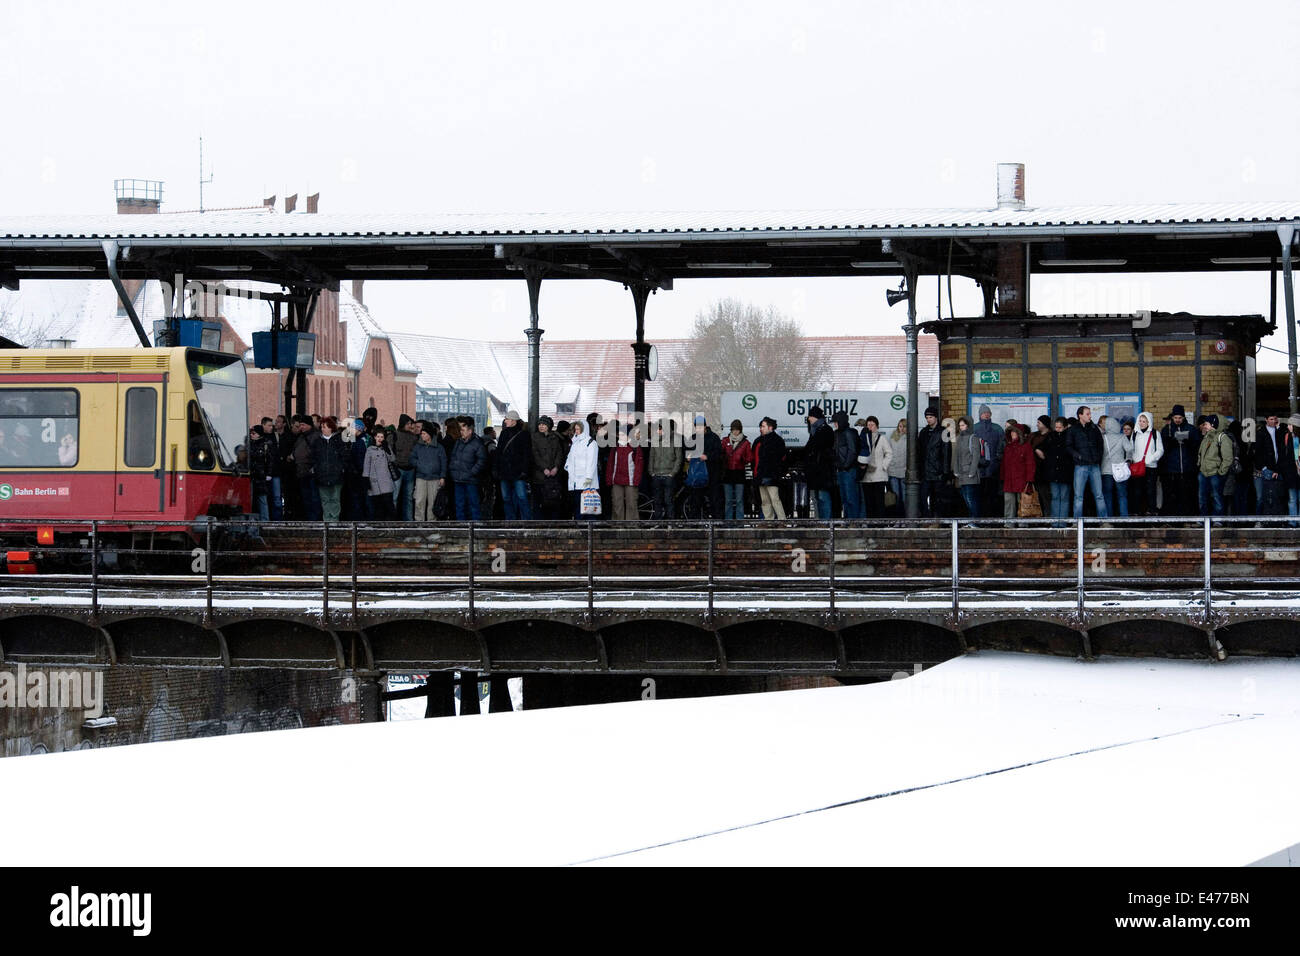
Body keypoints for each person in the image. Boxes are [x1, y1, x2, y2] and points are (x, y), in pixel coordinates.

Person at [1159, 405, 1200, 515]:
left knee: (1187, 496)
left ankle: (1188, 517)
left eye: (1180, 418)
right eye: (1176, 417)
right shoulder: (1166, 430)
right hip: (1172, 470)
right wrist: (1171, 442)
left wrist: (1189, 442)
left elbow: (1197, 447)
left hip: (1188, 469)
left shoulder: (1191, 429)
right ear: (1172, 417)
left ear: (1184, 417)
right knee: (1173, 496)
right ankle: (1174, 519)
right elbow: (1162, 449)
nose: (1177, 420)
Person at [494, 410, 533, 521]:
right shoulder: (504, 433)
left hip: (515, 472)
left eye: (507, 419)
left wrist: (524, 471)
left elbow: (527, 454)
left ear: (513, 421)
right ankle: (511, 521)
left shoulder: (523, 434)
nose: (505, 421)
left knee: (520, 497)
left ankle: (525, 521)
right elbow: (499, 452)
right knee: (510, 498)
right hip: (509, 472)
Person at [449, 415, 488, 521]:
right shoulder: (458, 442)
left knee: (473, 504)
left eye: (463, 429)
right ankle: (462, 527)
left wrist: (472, 472)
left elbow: (482, 461)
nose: (461, 432)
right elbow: (453, 457)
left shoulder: (477, 443)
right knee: (459, 505)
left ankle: (476, 527)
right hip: (458, 478)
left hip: (471, 480)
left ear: (470, 431)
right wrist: (453, 470)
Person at [605, 424, 645, 520]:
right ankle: (617, 525)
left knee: (631, 504)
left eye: (623, 434)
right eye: (619, 434)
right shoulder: (615, 448)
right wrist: (609, 479)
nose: (620, 436)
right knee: (616, 504)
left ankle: (632, 525)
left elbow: (639, 466)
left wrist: (636, 480)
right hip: (616, 480)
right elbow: (610, 464)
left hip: (631, 481)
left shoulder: (635, 447)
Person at [1128, 411, 1164, 516]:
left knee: (1151, 490)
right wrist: (1136, 460)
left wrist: (1150, 459)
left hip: (1151, 467)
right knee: (1137, 490)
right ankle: (1138, 511)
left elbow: (1160, 450)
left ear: (1149, 422)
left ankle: (1151, 510)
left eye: (1144, 421)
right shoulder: (1134, 434)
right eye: (1140, 421)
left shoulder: (1155, 434)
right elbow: (1131, 449)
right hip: (1138, 467)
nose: (1141, 423)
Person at [531, 415, 566, 520]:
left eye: (544, 424)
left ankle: (552, 521)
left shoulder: (554, 438)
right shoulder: (534, 437)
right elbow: (535, 455)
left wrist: (556, 467)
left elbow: (559, 453)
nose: (541, 426)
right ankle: (539, 522)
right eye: (540, 424)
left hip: (552, 475)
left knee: (552, 500)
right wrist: (544, 468)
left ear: (548, 426)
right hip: (539, 476)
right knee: (538, 500)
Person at [1196, 414, 1232, 517]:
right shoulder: (1206, 437)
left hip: (1215, 473)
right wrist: (1200, 465)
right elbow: (1201, 453)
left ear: (1212, 424)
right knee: (1202, 497)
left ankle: (1218, 519)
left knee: (1217, 497)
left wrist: (1221, 472)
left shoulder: (1222, 438)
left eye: (1206, 424)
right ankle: (1203, 518)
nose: (1204, 426)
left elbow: (1228, 458)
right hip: (1203, 473)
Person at [804, 406, 836, 519]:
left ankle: (826, 521)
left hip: (822, 471)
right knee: (816, 498)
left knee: (823, 497)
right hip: (815, 471)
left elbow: (819, 448)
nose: (808, 419)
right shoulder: (815, 431)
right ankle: (820, 521)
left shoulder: (825, 430)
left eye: (810, 416)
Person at [856, 416, 891, 518]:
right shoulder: (862, 439)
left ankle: (880, 525)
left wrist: (883, 466)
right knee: (868, 502)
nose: (870, 427)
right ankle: (871, 525)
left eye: (872, 425)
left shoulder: (882, 438)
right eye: (868, 425)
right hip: (866, 476)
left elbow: (889, 453)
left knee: (879, 502)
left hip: (879, 476)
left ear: (877, 426)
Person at [752, 416, 787, 519]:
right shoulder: (760, 440)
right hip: (762, 474)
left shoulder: (777, 441)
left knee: (774, 499)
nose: (761, 429)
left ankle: (782, 521)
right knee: (765, 501)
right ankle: (769, 521)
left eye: (763, 426)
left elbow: (781, 459)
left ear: (770, 427)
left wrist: (777, 472)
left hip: (771, 474)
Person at [973, 404, 1005, 517]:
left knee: (993, 494)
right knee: (980, 495)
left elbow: (1002, 445)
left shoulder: (997, 428)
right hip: (978, 469)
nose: (986, 415)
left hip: (994, 468)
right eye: (983, 413)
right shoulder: (974, 428)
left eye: (988, 413)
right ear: (980, 415)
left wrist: (997, 458)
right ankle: (982, 518)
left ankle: (992, 518)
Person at [411, 424, 448, 521]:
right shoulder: (418, 446)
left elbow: (444, 462)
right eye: (421, 434)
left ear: (429, 435)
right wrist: (419, 464)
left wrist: (442, 476)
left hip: (435, 478)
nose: (422, 435)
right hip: (421, 477)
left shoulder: (439, 447)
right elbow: (412, 459)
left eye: (424, 433)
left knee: (433, 502)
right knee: (419, 501)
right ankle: (419, 523)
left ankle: (432, 523)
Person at [919, 406, 950, 518]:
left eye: (930, 417)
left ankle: (937, 520)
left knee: (937, 499)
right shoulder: (923, 432)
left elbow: (947, 453)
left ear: (936, 417)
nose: (928, 419)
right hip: (926, 471)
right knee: (923, 497)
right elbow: (920, 452)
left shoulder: (944, 432)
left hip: (938, 472)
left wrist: (945, 472)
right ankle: (928, 519)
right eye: (927, 417)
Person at [566, 419, 600, 519]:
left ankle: (589, 530)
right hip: (575, 480)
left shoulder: (591, 443)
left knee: (588, 508)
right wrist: (567, 466)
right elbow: (570, 458)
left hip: (587, 481)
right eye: (575, 429)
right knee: (578, 506)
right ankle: (579, 529)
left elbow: (592, 462)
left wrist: (589, 478)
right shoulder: (575, 443)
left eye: (578, 429)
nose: (576, 431)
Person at [315, 417, 348, 522]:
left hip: (336, 475)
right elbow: (315, 458)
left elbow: (345, 457)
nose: (322, 429)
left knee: (335, 499)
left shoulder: (339, 440)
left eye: (324, 427)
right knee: (325, 500)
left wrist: (341, 469)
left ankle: (334, 521)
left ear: (331, 428)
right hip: (322, 475)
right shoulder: (318, 441)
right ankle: (327, 521)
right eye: (321, 427)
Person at [648, 420, 683, 519]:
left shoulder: (675, 440)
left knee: (669, 500)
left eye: (660, 429)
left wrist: (673, 473)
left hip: (669, 475)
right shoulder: (655, 440)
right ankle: (658, 523)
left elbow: (679, 458)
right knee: (657, 501)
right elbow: (651, 457)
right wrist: (651, 472)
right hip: (656, 474)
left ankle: (670, 523)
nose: (658, 431)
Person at [292, 415, 324, 522]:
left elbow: (319, 454)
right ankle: (310, 520)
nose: (301, 427)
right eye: (300, 425)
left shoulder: (315, 436)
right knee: (306, 499)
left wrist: (313, 467)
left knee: (314, 498)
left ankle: (315, 520)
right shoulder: (301, 437)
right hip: (302, 472)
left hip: (311, 473)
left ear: (309, 425)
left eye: (303, 425)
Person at [1100, 414, 1133, 517]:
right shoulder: (1122, 437)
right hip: (1120, 470)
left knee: (1107, 496)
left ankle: (1109, 519)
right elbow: (1130, 449)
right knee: (1122, 495)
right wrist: (1128, 460)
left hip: (1106, 471)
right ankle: (1124, 518)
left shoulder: (1103, 438)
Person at [1255, 413, 1286, 516]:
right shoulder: (1261, 433)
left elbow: (1281, 450)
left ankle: (1276, 520)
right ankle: (1262, 519)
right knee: (1265, 496)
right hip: (1267, 468)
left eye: (1275, 419)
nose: (1274, 421)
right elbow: (1258, 452)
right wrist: (1263, 468)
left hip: (1278, 468)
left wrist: (1278, 469)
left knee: (1277, 495)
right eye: (1271, 419)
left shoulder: (1279, 432)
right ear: (1266, 420)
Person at [1001, 423, 1035, 518]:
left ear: (1019, 433)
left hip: (1022, 479)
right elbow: (1004, 464)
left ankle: (1023, 524)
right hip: (1009, 479)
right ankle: (1009, 523)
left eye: (1014, 431)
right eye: (1011, 431)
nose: (1012, 433)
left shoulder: (1026, 446)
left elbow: (1030, 463)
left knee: (1023, 502)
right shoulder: (1008, 447)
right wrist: (1002, 477)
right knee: (1008, 502)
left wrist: (1029, 479)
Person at [721, 420, 753, 520]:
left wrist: (742, 458)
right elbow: (720, 454)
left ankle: (740, 521)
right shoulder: (725, 441)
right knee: (728, 500)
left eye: (737, 430)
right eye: (733, 430)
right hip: (727, 473)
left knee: (739, 500)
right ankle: (728, 521)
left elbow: (749, 458)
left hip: (739, 473)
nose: (735, 432)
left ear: (740, 430)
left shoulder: (746, 443)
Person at [362, 428, 396, 520]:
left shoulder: (386, 447)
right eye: (378, 437)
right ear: (375, 437)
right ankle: (379, 526)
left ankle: (391, 525)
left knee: (389, 505)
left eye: (382, 437)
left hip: (386, 481)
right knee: (378, 506)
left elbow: (392, 459)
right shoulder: (370, 449)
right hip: (374, 482)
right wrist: (366, 478)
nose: (380, 439)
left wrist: (387, 450)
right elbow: (366, 465)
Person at [952, 415, 982, 517]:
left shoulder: (973, 438)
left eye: (963, 425)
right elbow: (956, 455)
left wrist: (972, 472)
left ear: (968, 425)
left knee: (970, 499)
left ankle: (974, 521)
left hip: (969, 473)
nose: (961, 427)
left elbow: (976, 456)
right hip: (961, 473)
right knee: (966, 498)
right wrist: (956, 470)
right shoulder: (959, 438)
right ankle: (971, 520)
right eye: (960, 425)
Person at [247, 425, 272, 520]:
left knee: (262, 499)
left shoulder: (265, 445)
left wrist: (269, 474)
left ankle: (264, 521)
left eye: (254, 433)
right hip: (252, 475)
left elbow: (270, 461)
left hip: (261, 476)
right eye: (251, 433)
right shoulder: (249, 444)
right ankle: (254, 521)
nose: (251, 435)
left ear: (259, 434)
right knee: (253, 499)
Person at [886, 418, 907, 517]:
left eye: (904, 426)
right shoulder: (892, 438)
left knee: (904, 498)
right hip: (893, 471)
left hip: (904, 471)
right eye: (900, 426)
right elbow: (889, 454)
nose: (902, 428)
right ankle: (898, 519)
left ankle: (905, 519)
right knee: (896, 497)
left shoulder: (910, 439)